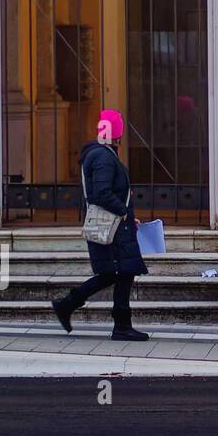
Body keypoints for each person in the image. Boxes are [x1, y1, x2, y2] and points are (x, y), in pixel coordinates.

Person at [50, 109, 150, 341]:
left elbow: (107, 191)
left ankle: (68, 306)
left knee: (116, 273)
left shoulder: (100, 155)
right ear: (117, 134)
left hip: (116, 226)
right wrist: (123, 211)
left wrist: (126, 214)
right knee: (121, 273)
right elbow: (101, 193)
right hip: (113, 230)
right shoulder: (104, 157)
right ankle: (120, 325)